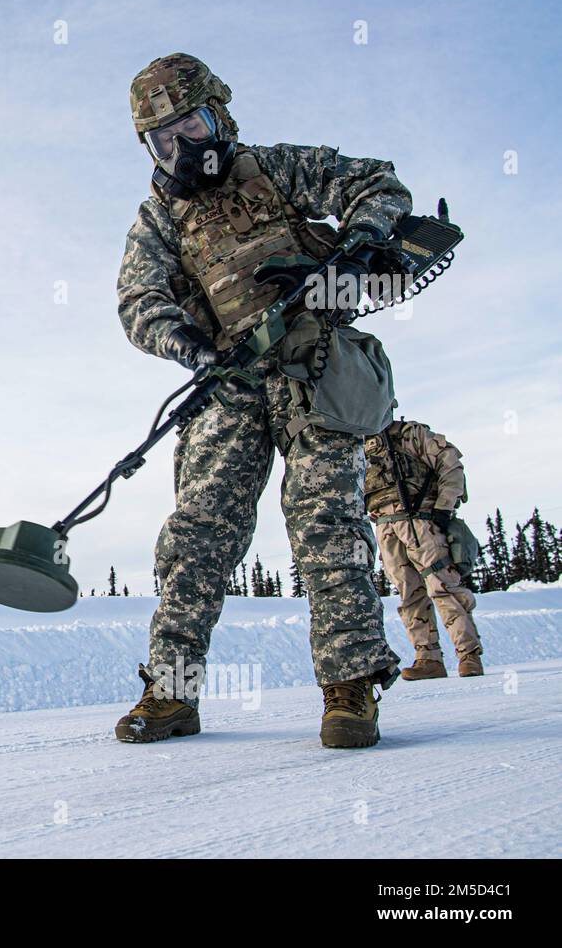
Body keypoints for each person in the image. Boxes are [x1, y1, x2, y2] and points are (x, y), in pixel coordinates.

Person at [112, 53, 411, 748]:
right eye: (163, 138)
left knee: (326, 524)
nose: (183, 146)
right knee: (197, 534)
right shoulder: (159, 218)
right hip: (232, 381)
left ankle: (349, 689)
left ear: (218, 113)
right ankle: (173, 693)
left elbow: (375, 181)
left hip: (313, 366)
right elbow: (138, 300)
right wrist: (189, 343)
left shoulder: (275, 168)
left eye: (191, 124)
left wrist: (362, 243)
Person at [365, 419, 483, 678]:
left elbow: (449, 460)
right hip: (385, 526)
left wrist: (445, 504)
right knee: (409, 594)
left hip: (421, 519)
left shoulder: (409, 434)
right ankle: (427, 659)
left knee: (443, 585)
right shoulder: (360, 443)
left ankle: (468, 655)